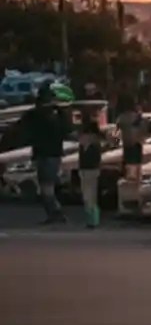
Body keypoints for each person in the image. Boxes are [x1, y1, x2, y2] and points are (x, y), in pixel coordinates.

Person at [20, 83, 69, 224]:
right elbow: (66, 130)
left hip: (43, 153)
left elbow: (25, 129)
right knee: (48, 185)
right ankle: (54, 212)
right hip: (53, 153)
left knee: (46, 186)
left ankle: (55, 212)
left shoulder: (36, 114)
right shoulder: (57, 114)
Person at [78, 116, 108, 229]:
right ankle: (91, 219)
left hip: (91, 170)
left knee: (90, 195)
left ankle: (93, 220)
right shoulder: (86, 144)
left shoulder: (94, 144)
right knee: (87, 195)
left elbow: (95, 159)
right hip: (86, 170)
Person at [115, 92, 147, 190]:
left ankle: (131, 189)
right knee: (137, 169)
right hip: (137, 145)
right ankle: (137, 188)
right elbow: (144, 129)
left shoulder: (122, 117)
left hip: (128, 146)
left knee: (130, 171)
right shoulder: (137, 117)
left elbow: (117, 131)